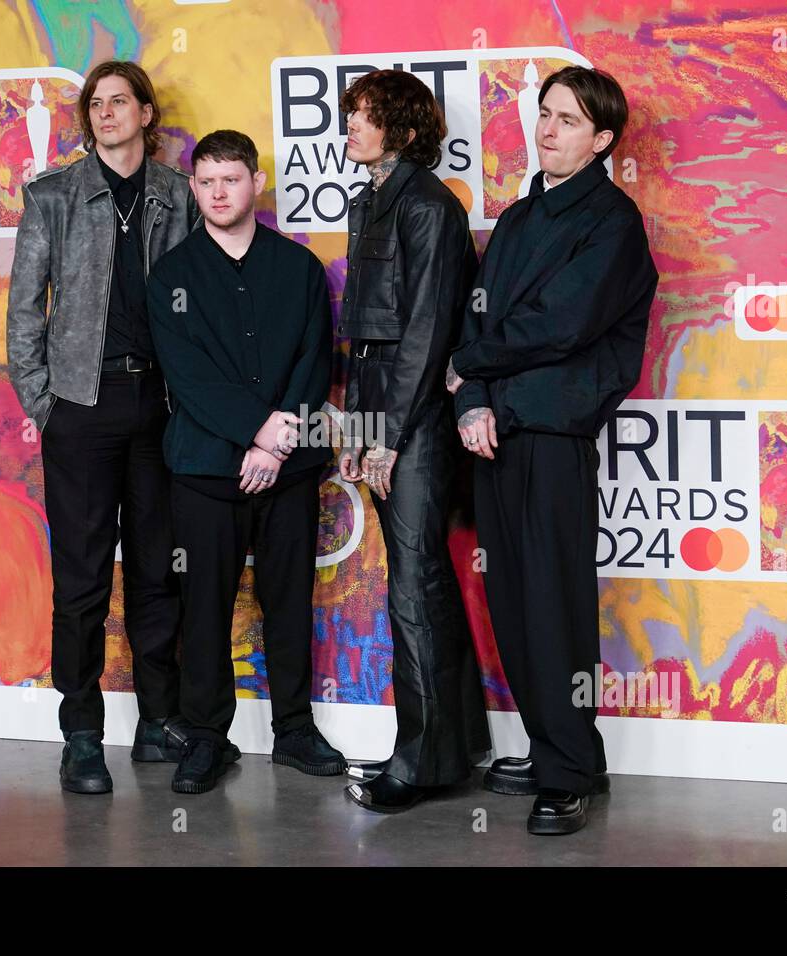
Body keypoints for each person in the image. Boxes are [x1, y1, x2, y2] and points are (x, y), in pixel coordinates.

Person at [445, 66, 658, 835]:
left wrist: (474, 371)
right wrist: (469, 400)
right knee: (511, 601)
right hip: (494, 432)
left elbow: (561, 326)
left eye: (567, 120)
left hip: (554, 435)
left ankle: (569, 771)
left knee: (555, 602)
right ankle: (552, 748)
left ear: (601, 139)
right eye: (544, 115)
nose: (547, 130)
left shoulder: (613, 223)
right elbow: (473, 323)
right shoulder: (514, 219)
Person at [6, 60, 203, 795]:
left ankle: (158, 721)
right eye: (96, 103)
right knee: (83, 578)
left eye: (121, 101)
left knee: (158, 571)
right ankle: (81, 733)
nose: (106, 112)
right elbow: (25, 308)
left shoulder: (177, 197)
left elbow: (200, 298)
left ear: (148, 115)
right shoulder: (54, 196)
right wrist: (43, 402)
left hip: (158, 407)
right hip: (81, 409)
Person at [147, 129, 346, 795]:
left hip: (287, 468)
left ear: (255, 183)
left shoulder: (298, 269)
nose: (218, 192)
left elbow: (314, 361)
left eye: (230, 179)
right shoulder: (172, 277)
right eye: (206, 182)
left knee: (288, 599)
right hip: (205, 469)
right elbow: (189, 375)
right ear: (194, 188)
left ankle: (293, 730)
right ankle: (207, 737)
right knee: (204, 604)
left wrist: (276, 441)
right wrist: (256, 432)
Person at [334, 69, 491, 813]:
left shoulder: (427, 208)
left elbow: (426, 333)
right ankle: (454, 746)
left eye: (364, 116)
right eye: (351, 116)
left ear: (402, 126)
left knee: (415, 587)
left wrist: (389, 437)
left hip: (417, 424)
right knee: (417, 583)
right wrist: (359, 430)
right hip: (383, 415)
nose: (350, 128)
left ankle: (423, 762)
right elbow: (368, 339)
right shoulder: (372, 201)